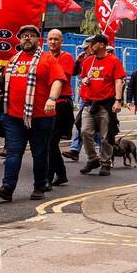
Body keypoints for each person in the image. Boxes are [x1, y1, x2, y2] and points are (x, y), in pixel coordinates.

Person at [0, 24, 65, 202]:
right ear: (20, 39)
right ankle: (7, 188)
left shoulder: (48, 59)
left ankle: (39, 186)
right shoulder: (13, 59)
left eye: (31, 35)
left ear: (37, 40)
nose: (27, 38)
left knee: (39, 154)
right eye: (24, 35)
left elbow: (58, 80)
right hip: (14, 117)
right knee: (13, 153)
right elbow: (5, 82)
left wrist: (52, 99)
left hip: (41, 118)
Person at [78, 34, 126, 176]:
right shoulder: (88, 62)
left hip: (106, 104)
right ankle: (93, 159)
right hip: (89, 103)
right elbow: (83, 78)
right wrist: (85, 80)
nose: (89, 46)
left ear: (101, 45)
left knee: (106, 135)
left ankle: (106, 162)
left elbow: (119, 81)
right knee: (85, 132)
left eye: (92, 44)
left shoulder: (113, 61)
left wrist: (118, 100)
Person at [44, 29, 76, 187]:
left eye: (56, 39)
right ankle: (61, 174)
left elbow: (58, 79)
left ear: (61, 41)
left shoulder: (66, 57)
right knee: (50, 142)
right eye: (50, 39)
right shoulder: (45, 57)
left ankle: (48, 178)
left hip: (61, 102)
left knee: (51, 141)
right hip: (47, 103)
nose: (53, 42)